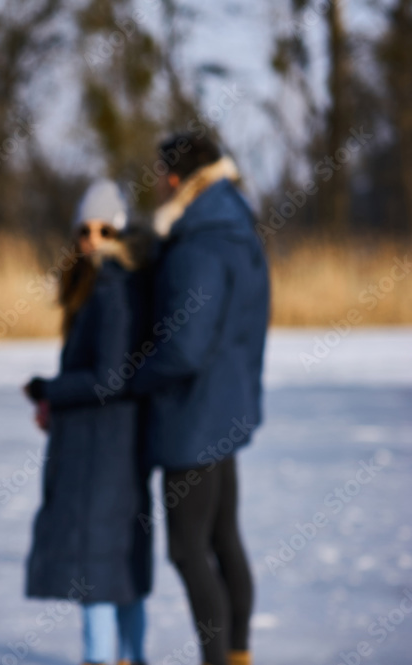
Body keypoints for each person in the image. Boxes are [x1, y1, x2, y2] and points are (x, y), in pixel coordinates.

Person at [130, 134, 269, 665]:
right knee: (223, 538)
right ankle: (238, 654)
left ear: (176, 177)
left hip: (193, 417)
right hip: (227, 406)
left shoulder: (197, 242)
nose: (157, 183)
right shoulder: (237, 227)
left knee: (189, 550)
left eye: (160, 172)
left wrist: (131, 378)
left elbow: (184, 348)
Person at [23, 179, 153, 665]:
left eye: (104, 230)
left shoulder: (113, 287)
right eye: (84, 230)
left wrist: (49, 389)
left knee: (98, 571)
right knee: (117, 567)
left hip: (105, 451)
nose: (93, 240)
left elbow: (109, 377)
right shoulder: (105, 283)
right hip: (106, 443)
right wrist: (55, 402)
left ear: (120, 232)